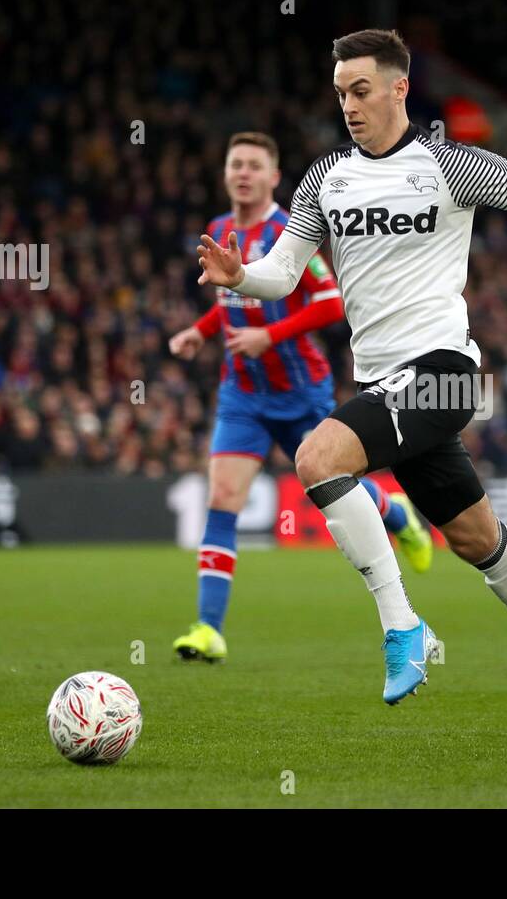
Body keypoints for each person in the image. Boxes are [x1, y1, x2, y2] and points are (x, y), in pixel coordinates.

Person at [196, 29, 507, 735]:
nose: (349, 106)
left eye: (361, 90)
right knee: (477, 540)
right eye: (341, 94)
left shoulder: (449, 165)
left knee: (318, 458)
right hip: (384, 386)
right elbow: (283, 276)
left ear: (399, 87)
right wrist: (240, 277)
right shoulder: (324, 178)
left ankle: (403, 626)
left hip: (445, 374)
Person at [168, 131, 432, 664]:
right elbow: (232, 301)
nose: (243, 173)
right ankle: (208, 629)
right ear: (225, 174)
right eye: (236, 164)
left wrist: (270, 336)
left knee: (332, 482)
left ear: (273, 176)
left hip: (299, 391)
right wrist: (201, 329)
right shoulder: (219, 229)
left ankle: (396, 513)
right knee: (223, 497)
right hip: (242, 394)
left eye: (254, 165)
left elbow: (331, 302)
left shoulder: (290, 231)